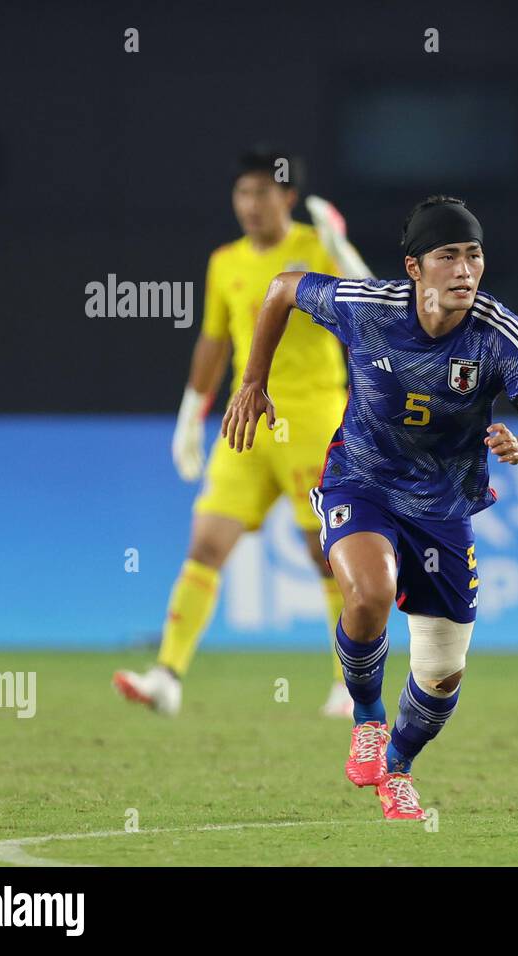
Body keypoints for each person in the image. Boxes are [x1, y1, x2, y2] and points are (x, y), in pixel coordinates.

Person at [221, 195, 518, 819]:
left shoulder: (497, 333)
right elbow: (280, 289)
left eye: (474, 255)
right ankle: (367, 718)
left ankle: (399, 767)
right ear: (414, 268)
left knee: (442, 672)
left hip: (442, 508)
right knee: (368, 594)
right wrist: (253, 381)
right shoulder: (367, 309)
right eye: (448, 257)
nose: (465, 270)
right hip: (362, 482)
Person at [114, 148, 368, 718]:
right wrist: (189, 413)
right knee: (206, 544)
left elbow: (373, 302)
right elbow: (215, 340)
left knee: (327, 555)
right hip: (246, 420)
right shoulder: (224, 261)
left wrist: (340, 247)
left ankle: (349, 686)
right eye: (242, 193)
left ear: (287, 197)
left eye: (262, 192)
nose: (250, 205)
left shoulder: (313, 246)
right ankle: (167, 675)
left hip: (314, 419)